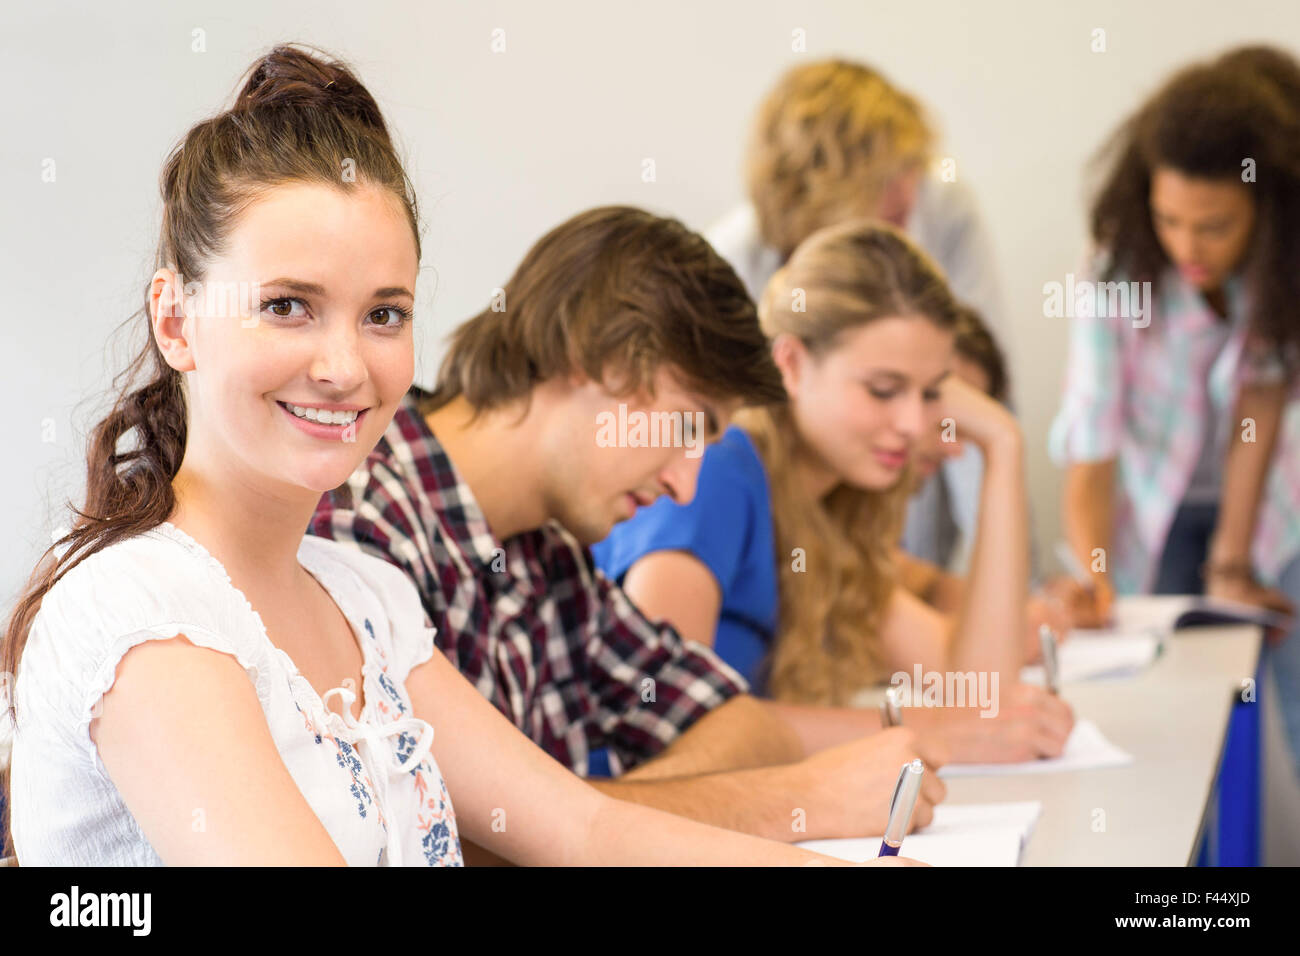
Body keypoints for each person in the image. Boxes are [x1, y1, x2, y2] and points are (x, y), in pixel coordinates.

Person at [0, 45, 915, 867]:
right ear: (176, 321)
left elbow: (584, 832)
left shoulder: (363, 597)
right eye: (288, 305)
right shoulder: (142, 610)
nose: (344, 366)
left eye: (383, 314)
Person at [310, 206, 947, 858]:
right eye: (686, 428)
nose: (685, 485)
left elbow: (742, 724)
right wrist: (785, 801)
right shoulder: (353, 524)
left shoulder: (546, 549)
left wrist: (579, 819)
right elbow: (431, 842)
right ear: (595, 358)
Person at [594, 220, 1075, 763]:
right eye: (884, 390)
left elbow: (977, 694)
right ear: (793, 365)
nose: (916, 424)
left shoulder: (833, 508)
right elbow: (663, 716)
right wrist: (911, 731)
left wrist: (1003, 443)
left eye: (933, 393)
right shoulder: (718, 470)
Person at [1049, 44, 1300, 772]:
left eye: (1215, 225)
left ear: (1267, 204)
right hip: (1148, 514)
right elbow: (1091, 438)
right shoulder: (1113, 273)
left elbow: (1262, 403)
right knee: (1162, 726)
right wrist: (1096, 572)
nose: (1188, 245)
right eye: (1169, 220)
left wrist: (1232, 559)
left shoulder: (1282, 267)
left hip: (1270, 510)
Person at [709, 58, 1009, 365]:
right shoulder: (732, 262)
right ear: (813, 195)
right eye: (882, 179)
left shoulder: (944, 206)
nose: (907, 194)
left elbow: (991, 372)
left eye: (910, 166)